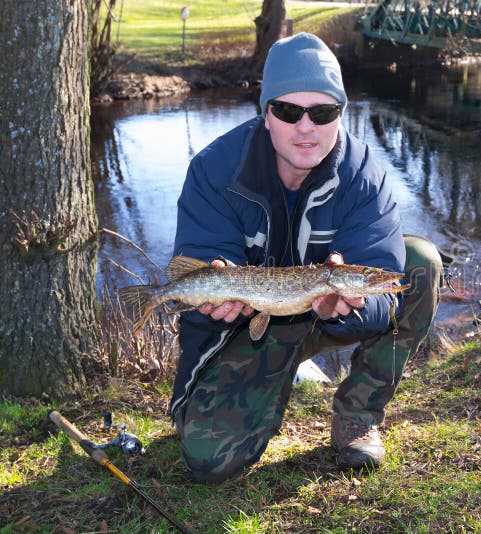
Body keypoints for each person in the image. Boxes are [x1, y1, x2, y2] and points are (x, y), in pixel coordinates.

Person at [170, 32, 443, 483]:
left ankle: (358, 414)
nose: (305, 127)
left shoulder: (363, 175)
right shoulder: (215, 170)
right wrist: (215, 285)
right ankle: (260, 387)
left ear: (340, 114)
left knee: (420, 263)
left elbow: (381, 293)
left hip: (321, 313)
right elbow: (199, 257)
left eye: (322, 112)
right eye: (288, 110)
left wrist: (346, 309)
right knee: (209, 462)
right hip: (246, 327)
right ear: (266, 115)